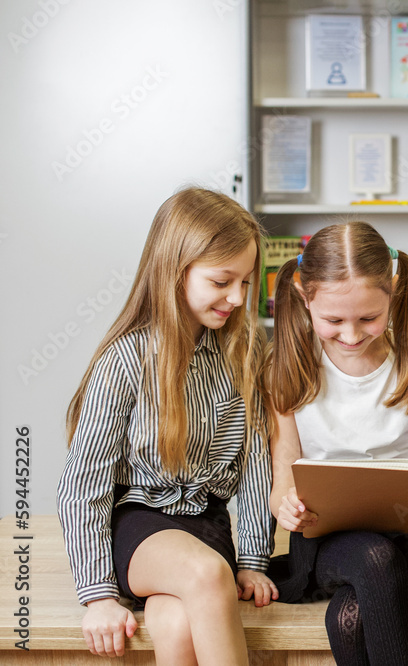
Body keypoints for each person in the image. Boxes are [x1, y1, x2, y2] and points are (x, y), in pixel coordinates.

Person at [57, 187, 277, 664]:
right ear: (176, 271)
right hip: (140, 526)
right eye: (222, 281)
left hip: (209, 526)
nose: (237, 298)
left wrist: (253, 559)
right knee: (205, 575)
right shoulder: (127, 359)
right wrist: (98, 598)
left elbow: (258, 468)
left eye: (245, 282)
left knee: (176, 627)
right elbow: (83, 485)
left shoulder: (245, 355)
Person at [266, 222, 408, 666]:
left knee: (353, 614)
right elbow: (283, 477)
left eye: (368, 318)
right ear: (304, 296)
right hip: (327, 544)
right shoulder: (287, 368)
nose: (353, 335)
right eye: (334, 321)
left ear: (394, 292)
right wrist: (286, 507)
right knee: (374, 560)